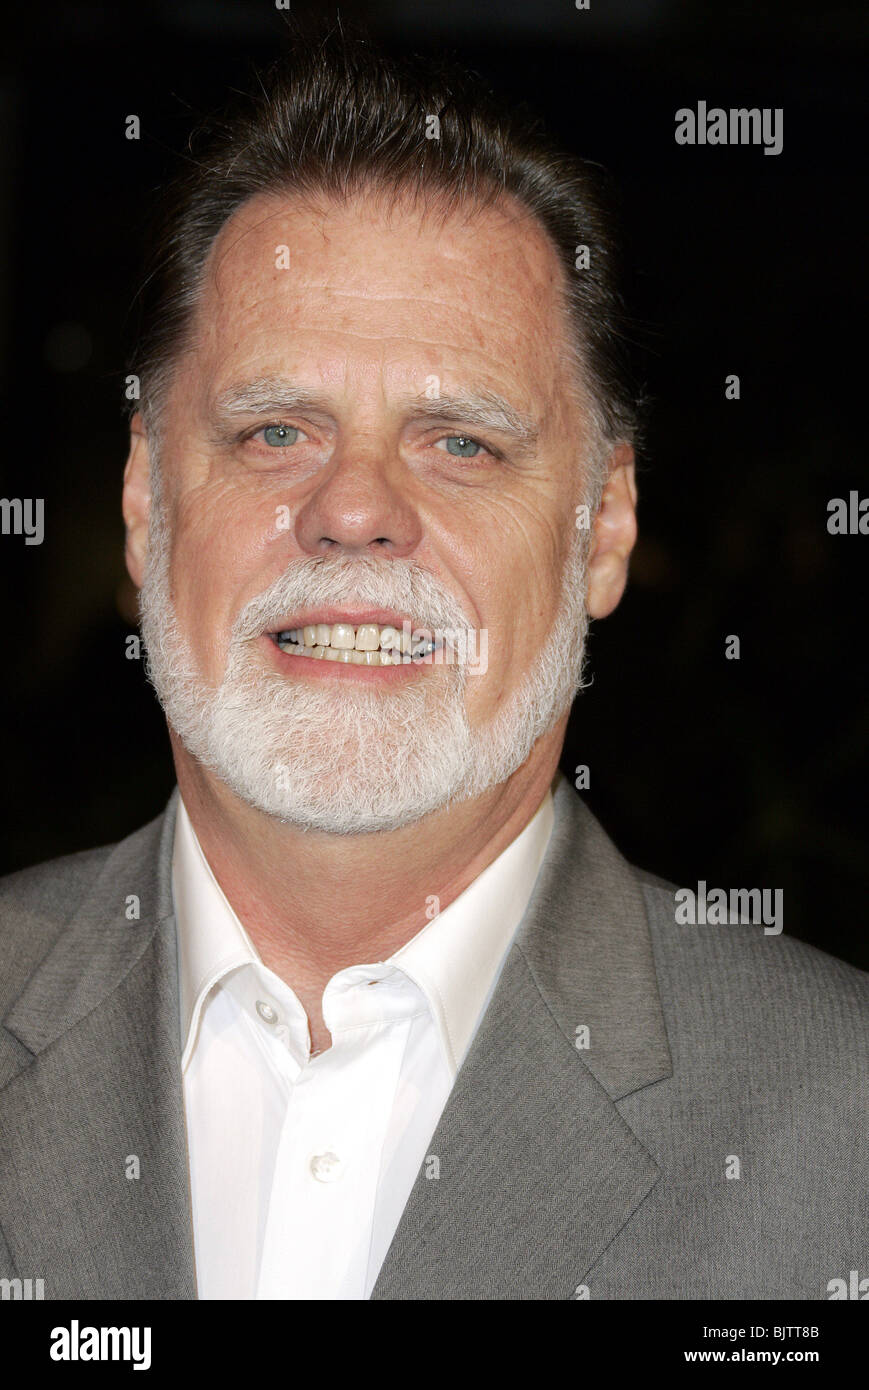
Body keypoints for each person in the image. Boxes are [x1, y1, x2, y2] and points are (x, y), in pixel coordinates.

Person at [0, 28, 864, 1301]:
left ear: (604, 526)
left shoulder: (837, 1128)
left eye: (458, 442)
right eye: (275, 429)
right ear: (143, 501)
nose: (354, 509)